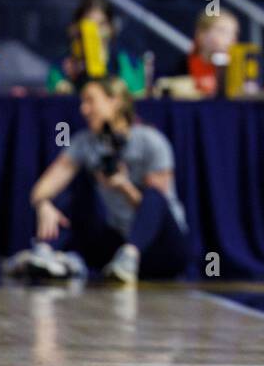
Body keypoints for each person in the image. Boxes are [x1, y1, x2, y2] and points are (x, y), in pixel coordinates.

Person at [23, 76, 188, 283]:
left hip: (161, 247)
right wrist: (43, 204)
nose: (84, 109)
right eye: (83, 102)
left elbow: (158, 208)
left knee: (153, 194)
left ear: (115, 101)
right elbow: (45, 186)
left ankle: (128, 256)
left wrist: (124, 187)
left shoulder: (151, 141)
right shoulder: (84, 142)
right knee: (75, 188)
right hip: (115, 242)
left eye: (91, 101)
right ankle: (47, 253)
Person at [48, 0, 143, 94]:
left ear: (111, 29)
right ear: (76, 28)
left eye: (101, 24)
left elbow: (136, 96)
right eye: (89, 25)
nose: (96, 31)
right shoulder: (60, 67)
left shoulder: (130, 62)